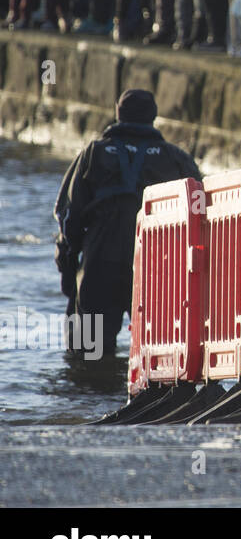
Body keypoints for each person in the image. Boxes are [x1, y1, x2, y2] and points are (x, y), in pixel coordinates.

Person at [54, 90, 201, 358]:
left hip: (99, 266)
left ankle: (90, 396)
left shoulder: (93, 154)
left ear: (118, 113)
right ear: (154, 117)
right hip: (157, 269)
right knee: (160, 360)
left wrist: (67, 268)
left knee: (87, 358)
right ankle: (144, 397)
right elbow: (200, 217)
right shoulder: (176, 159)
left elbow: (68, 218)